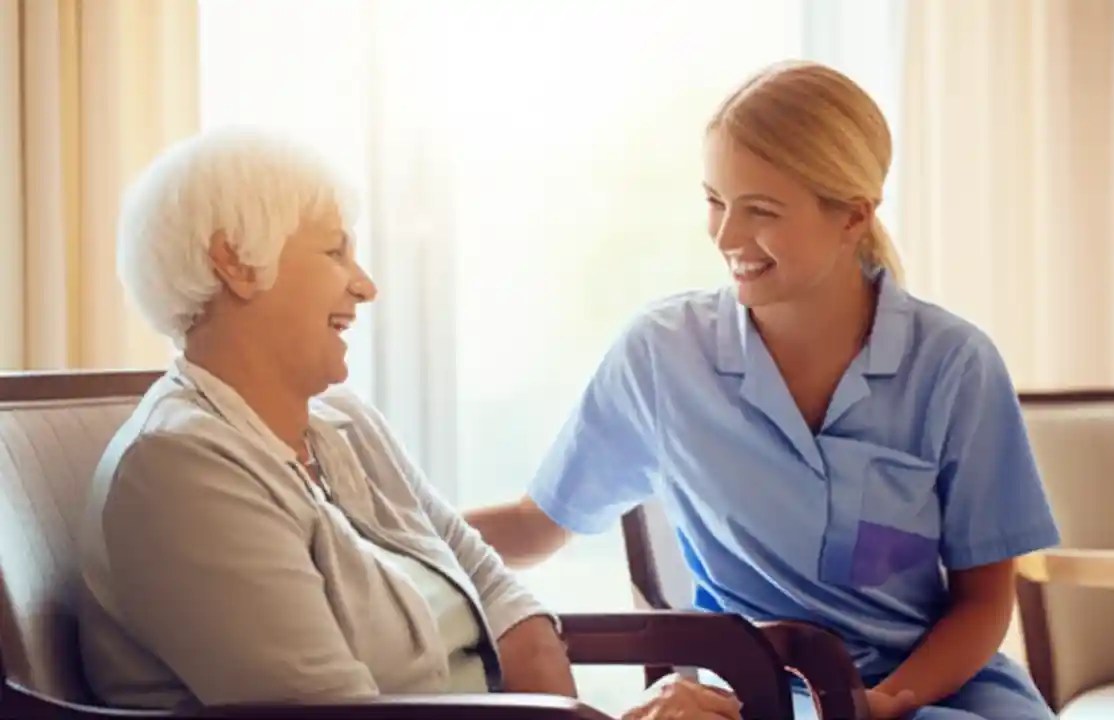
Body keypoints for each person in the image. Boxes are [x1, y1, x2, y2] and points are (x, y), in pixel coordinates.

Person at [77, 128, 742, 720]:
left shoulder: (341, 422)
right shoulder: (179, 470)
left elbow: (497, 592)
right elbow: (330, 714)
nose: (365, 285)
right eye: (336, 253)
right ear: (235, 262)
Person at [465, 61, 1061, 720]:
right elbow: (534, 524)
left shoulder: (955, 367)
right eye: (715, 201)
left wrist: (883, 703)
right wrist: (373, 535)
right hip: (761, 697)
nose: (726, 237)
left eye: (761, 211)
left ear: (852, 217)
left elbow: (984, 600)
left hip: (937, 691)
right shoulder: (662, 357)